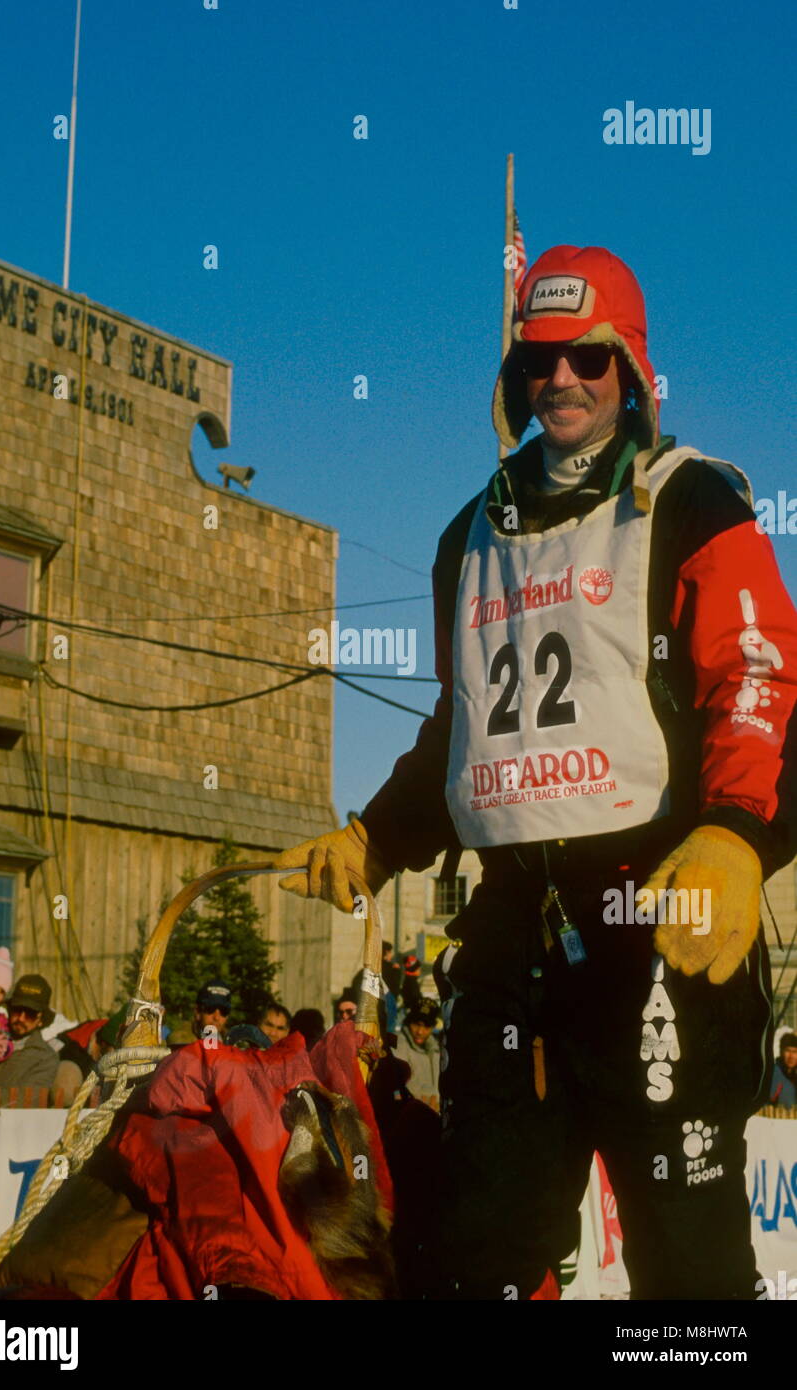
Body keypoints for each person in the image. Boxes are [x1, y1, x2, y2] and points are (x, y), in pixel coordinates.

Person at [274, 244, 797, 1300]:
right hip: (513, 933)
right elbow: (459, 732)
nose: (561, 378)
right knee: (477, 1254)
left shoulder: (689, 503)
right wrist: (377, 836)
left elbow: (760, 676)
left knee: (687, 1267)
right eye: (540, 359)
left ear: (633, 373)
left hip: (657, 921)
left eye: (588, 358)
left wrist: (740, 830)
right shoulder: (470, 536)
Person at [0, 974, 60, 1092]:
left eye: (30, 1013)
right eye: (17, 1010)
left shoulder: (45, 1059)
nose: (21, 1018)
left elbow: (24, 1103)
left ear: (40, 1019)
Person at [394, 998, 441, 1111]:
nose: (420, 1031)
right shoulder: (397, 1046)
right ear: (409, 1021)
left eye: (426, 1026)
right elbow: (396, 1090)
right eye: (416, 1024)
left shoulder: (437, 1051)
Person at [769, 1032, 797, 1108]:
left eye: (794, 1051)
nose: (791, 1056)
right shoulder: (774, 1074)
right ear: (781, 1051)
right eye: (788, 1051)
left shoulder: (794, 1074)